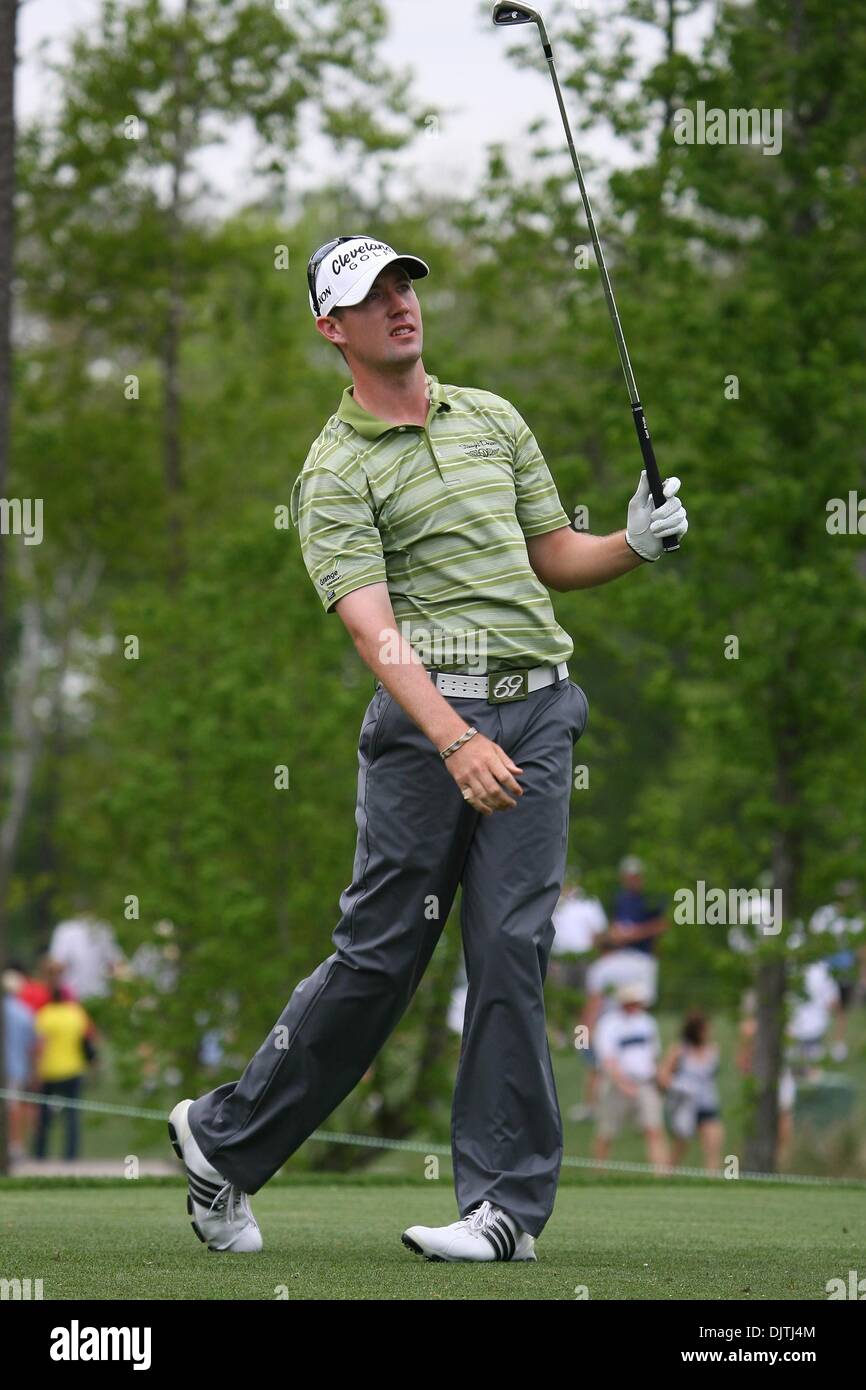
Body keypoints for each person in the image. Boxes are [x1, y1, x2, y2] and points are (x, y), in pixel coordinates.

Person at [167, 233, 689, 1260]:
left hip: (537, 711)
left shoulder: (491, 417)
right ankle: (221, 1140)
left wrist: (631, 542)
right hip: (425, 731)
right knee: (378, 962)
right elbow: (374, 630)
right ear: (334, 328)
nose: (399, 303)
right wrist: (451, 740)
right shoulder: (333, 471)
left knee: (509, 948)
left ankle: (502, 1210)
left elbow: (549, 557)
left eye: (404, 283)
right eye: (372, 294)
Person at [593, 980, 668, 1171]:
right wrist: (622, 1083)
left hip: (645, 1083)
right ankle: (597, 1174)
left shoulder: (647, 1022)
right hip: (616, 1084)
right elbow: (608, 1058)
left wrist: (660, 1078)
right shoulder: (609, 1023)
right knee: (607, 1132)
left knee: (654, 1129)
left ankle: (662, 1177)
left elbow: (652, 1055)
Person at [32, 986, 98, 1161]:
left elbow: (40, 1045)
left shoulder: (45, 1015)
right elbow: (89, 1038)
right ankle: (71, 1154)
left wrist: (36, 1070)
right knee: (72, 1115)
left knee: (44, 1115)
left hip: (49, 1070)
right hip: (73, 1069)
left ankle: (40, 1153)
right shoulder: (76, 1014)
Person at [547, 871, 607, 1048]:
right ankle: (559, 1038)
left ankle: (581, 1039)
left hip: (583, 958)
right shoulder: (553, 900)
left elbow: (598, 932)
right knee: (559, 999)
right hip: (559, 958)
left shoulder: (589, 900)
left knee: (584, 1000)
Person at [658, 1011, 724, 1171]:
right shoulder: (679, 1050)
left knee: (714, 1143)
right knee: (681, 1147)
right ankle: (664, 1177)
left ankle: (714, 1183)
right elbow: (663, 1076)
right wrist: (680, 1087)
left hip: (706, 1104)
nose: (709, 1033)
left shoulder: (713, 1051)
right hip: (684, 1105)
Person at [3, 969, 38, 1159]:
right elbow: (33, 1045)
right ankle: (15, 1146)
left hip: (9, 1066)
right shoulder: (24, 1012)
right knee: (14, 1107)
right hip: (16, 1068)